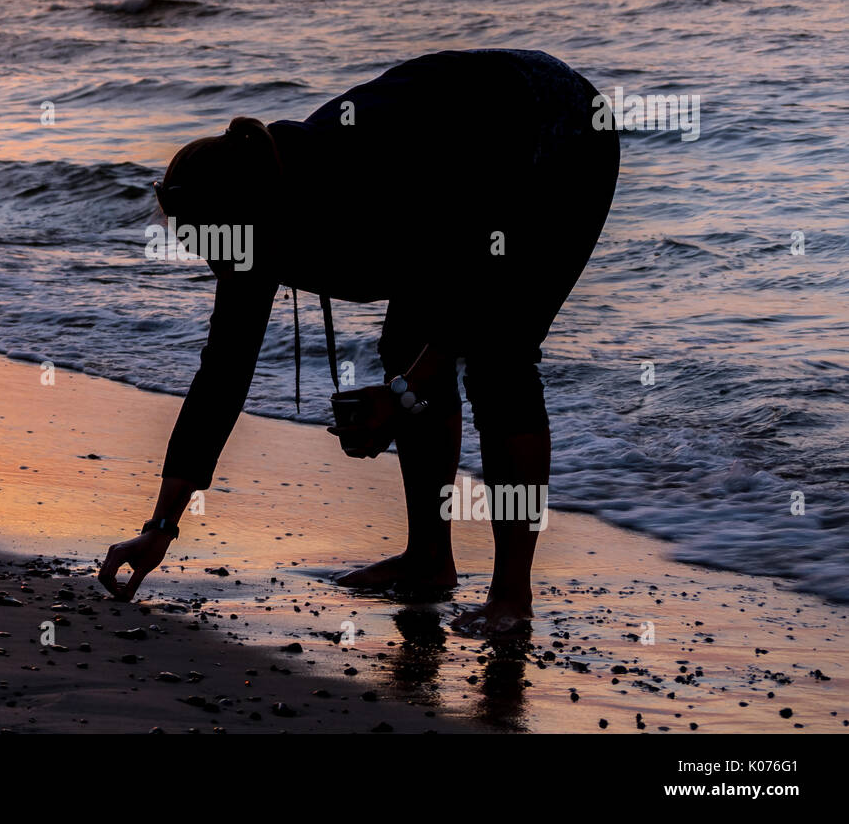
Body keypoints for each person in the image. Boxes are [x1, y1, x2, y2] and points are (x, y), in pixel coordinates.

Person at [98, 49, 619, 636]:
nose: (215, 261)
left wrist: (399, 397)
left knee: (500, 359)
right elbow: (223, 371)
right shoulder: (249, 219)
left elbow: (478, 277)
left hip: (555, 134)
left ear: (258, 214)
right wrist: (160, 527)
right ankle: (428, 560)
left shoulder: (367, 172)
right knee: (404, 346)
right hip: (461, 167)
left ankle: (511, 597)